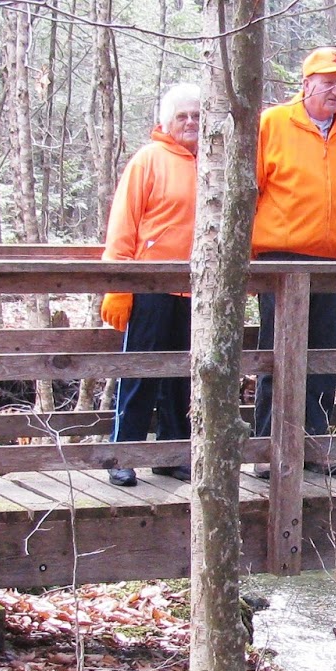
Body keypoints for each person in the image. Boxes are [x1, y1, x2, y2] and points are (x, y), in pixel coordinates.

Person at [249, 46, 336, 476]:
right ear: (307, 84)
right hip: (281, 259)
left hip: (334, 262)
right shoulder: (272, 124)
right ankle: (269, 450)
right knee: (276, 355)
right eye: (329, 81)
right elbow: (251, 191)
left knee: (323, 357)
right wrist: (249, 255)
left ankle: (314, 446)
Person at [99, 82, 200, 487]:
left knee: (183, 378)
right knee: (140, 372)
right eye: (182, 116)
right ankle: (123, 453)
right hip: (150, 285)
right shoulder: (148, 159)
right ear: (166, 122)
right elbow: (122, 227)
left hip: (197, 290)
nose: (190, 122)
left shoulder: (211, 162)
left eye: (196, 115)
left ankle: (173, 455)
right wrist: (119, 287)